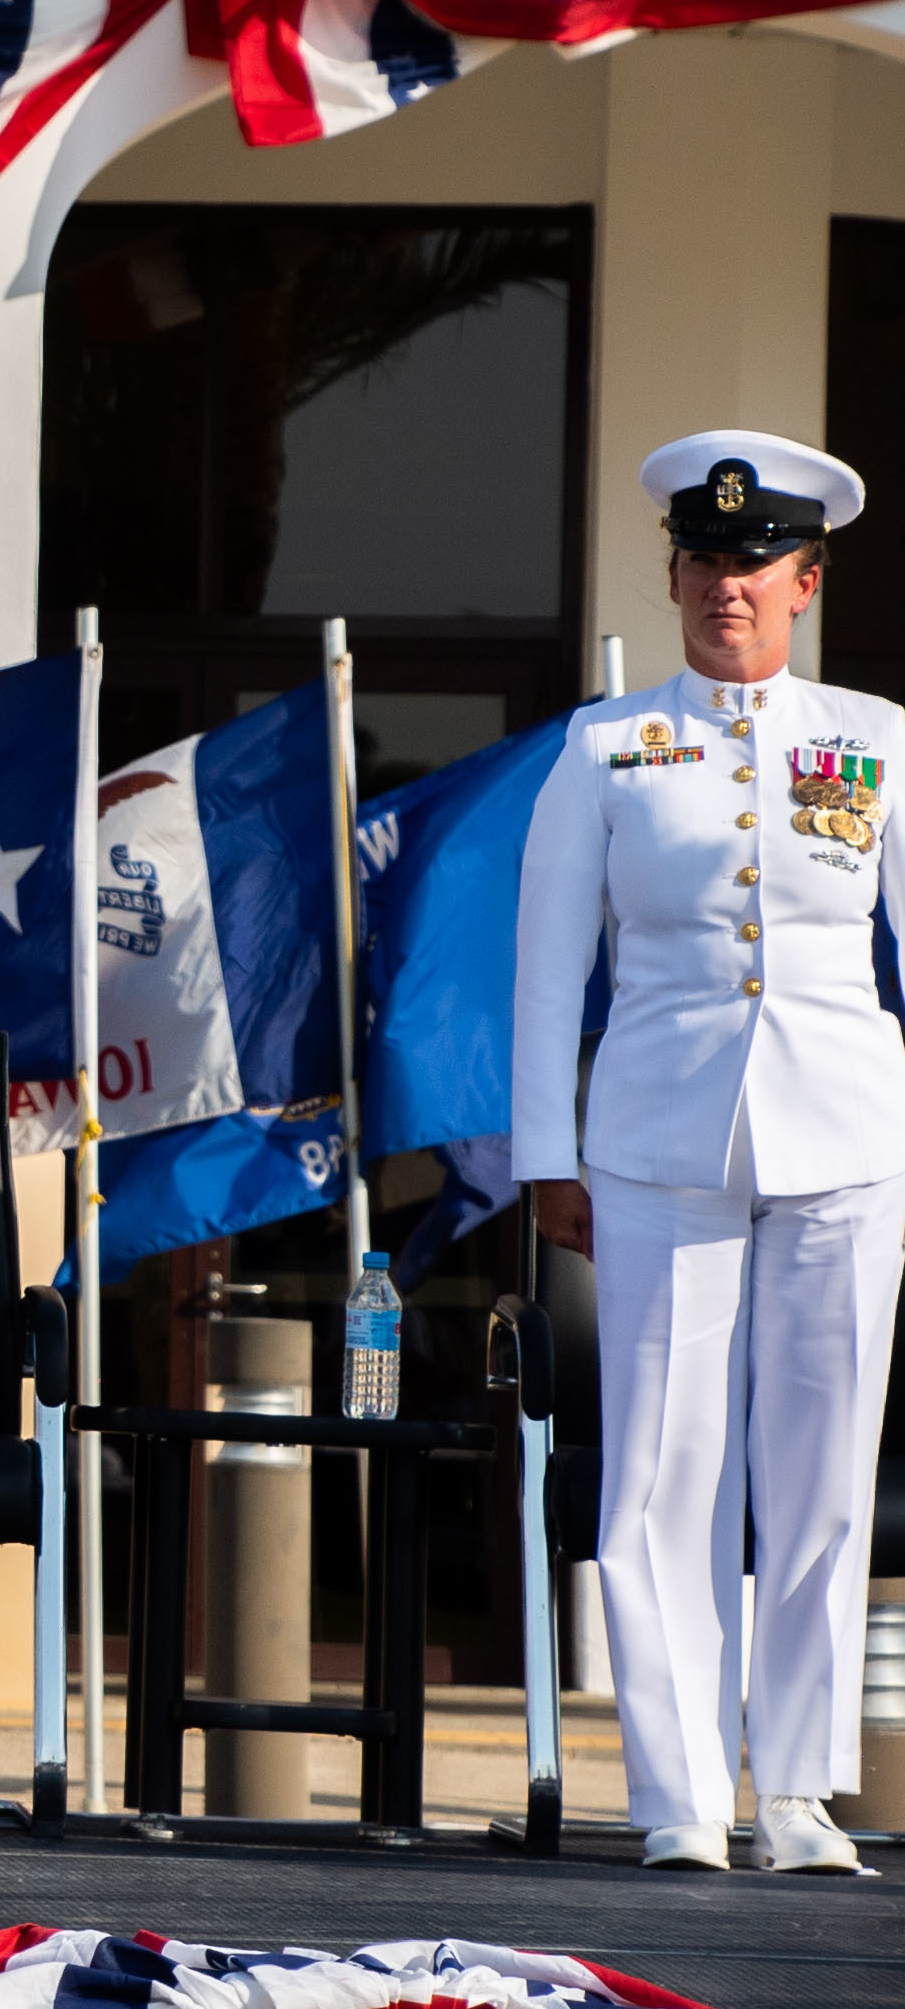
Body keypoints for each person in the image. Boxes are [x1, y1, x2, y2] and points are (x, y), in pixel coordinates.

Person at [513, 427, 905, 1877]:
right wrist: (549, 1150)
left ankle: (798, 1790)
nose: (724, 586)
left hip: (849, 1134)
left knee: (820, 1471)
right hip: (659, 1138)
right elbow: (548, 969)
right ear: (673, 571)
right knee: (665, 1475)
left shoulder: (873, 740)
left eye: (754, 565)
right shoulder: (608, 747)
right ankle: (680, 1792)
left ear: (804, 582)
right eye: (703, 561)